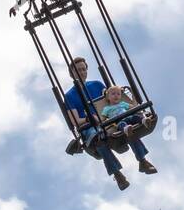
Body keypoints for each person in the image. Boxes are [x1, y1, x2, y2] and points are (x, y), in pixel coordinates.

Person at [63, 57, 156, 190]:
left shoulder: (97, 84)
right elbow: (75, 121)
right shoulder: (70, 96)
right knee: (98, 137)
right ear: (71, 73)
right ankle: (117, 174)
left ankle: (142, 161)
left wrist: (128, 104)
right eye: (78, 70)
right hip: (90, 126)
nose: (82, 72)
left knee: (126, 124)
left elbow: (114, 99)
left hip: (108, 118)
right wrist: (90, 119)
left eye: (84, 69)